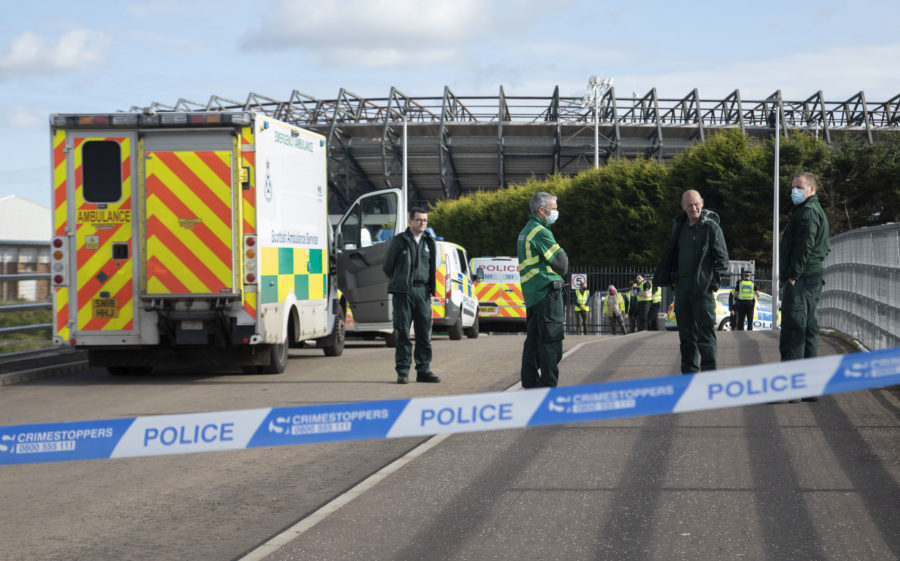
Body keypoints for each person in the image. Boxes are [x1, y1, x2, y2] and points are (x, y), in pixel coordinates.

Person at [654, 190, 729, 374]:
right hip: (683, 288)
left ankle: (709, 375)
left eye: (696, 204)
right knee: (686, 336)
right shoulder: (679, 227)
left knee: (705, 334)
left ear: (702, 203)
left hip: (702, 290)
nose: (693, 208)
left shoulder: (711, 228)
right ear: (683, 206)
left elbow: (722, 260)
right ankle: (689, 375)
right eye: (689, 205)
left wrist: (711, 283)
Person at [383, 207, 441, 384]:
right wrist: (400, 280)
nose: (422, 223)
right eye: (419, 220)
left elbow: (433, 267)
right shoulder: (399, 241)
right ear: (410, 221)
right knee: (402, 332)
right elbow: (387, 266)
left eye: (425, 220)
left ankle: (424, 370)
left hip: (423, 292)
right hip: (404, 293)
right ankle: (403, 371)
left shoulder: (429, 242)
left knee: (424, 333)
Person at [518, 192, 568, 388]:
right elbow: (562, 264)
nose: (556, 212)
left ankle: (530, 381)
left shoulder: (525, 231)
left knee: (533, 340)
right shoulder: (540, 231)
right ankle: (548, 384)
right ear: (542, 210)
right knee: (551, 341)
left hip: (533, 295)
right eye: (553, 209)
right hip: (546, 293)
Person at [780, 172, 831, 363]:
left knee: (794, 331)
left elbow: (805, 246)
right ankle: (809, 386)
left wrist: (793, 275)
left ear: (812, 189)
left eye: (799, 188)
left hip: (802, 280)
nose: (794, 191)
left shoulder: (808, 212)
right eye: (793, 187)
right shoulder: (809, 209)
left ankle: (790, 383)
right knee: (808, 330)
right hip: (808, 278)